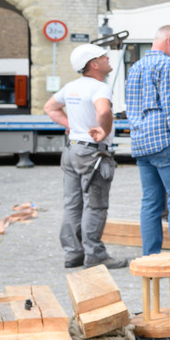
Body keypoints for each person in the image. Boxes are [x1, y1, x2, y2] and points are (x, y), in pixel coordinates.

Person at [43, 44, 127, 271]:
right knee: (96, 205)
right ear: (94, 64)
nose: (108, 59)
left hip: (72, 150)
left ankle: (73, 254)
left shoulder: (71, 87)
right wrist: (104, 129)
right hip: (92, 153)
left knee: (72, 204)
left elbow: (50, 107)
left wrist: (70, 125)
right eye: (104, 57)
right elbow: (104, 112)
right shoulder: (100, 88)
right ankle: (95, 255)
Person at [126, 25, 170, 255]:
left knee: (151, 204)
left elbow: (131, 108)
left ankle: (150, 258)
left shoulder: (135, 67)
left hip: (141, 143)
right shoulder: (167, 65)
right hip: (166, 142)